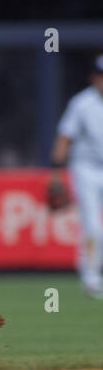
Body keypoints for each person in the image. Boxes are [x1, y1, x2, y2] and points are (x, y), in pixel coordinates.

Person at [52, 54, 103, 298]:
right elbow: (64, 138)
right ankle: (91, 278)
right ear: (93, 78)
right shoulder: (82, 103)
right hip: (86, 169)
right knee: (92, 225)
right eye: (101, 76)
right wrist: (55, 173)